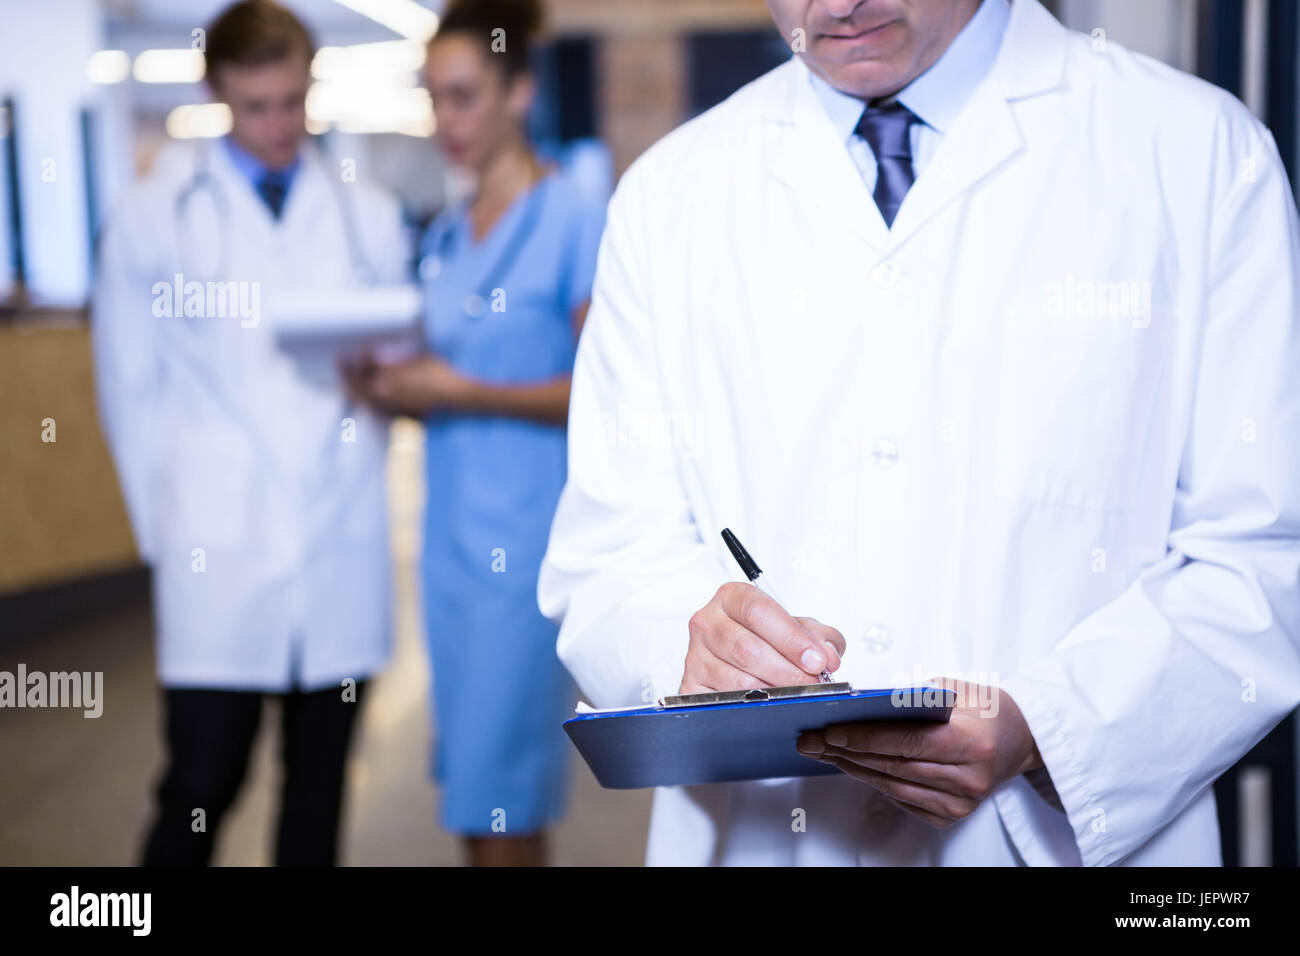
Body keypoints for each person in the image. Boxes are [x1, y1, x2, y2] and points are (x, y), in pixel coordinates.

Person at [538, 0, 1300, 866]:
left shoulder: (1197, 155)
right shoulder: (669, 194)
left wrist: (1052, 728)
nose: (834, 5)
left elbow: (1266, 552)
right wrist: (687, 643)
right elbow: (608, 558)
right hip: (764, 836)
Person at [92, 0, 408, 866]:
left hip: (338, 542)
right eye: (255, 106)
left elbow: (392, 367)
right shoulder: (154, 216)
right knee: (200, 783)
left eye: (292, 101)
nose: (278, 125)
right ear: (216, 90)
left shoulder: (366, 215)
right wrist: (170, 537)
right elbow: (128, 389)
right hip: (215, 553)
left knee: (318, 790)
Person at [344, 0, 605, 867]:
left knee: (504, 795)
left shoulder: (573, 219)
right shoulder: (448, 235)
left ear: (518, 90)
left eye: (463, 96)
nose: (445, 121)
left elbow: (604, 396)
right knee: (469, 789)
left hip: (527, 548)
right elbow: (445, 391)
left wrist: (460, 386)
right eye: (434, 99)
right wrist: (393, 387)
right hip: (450, 551)